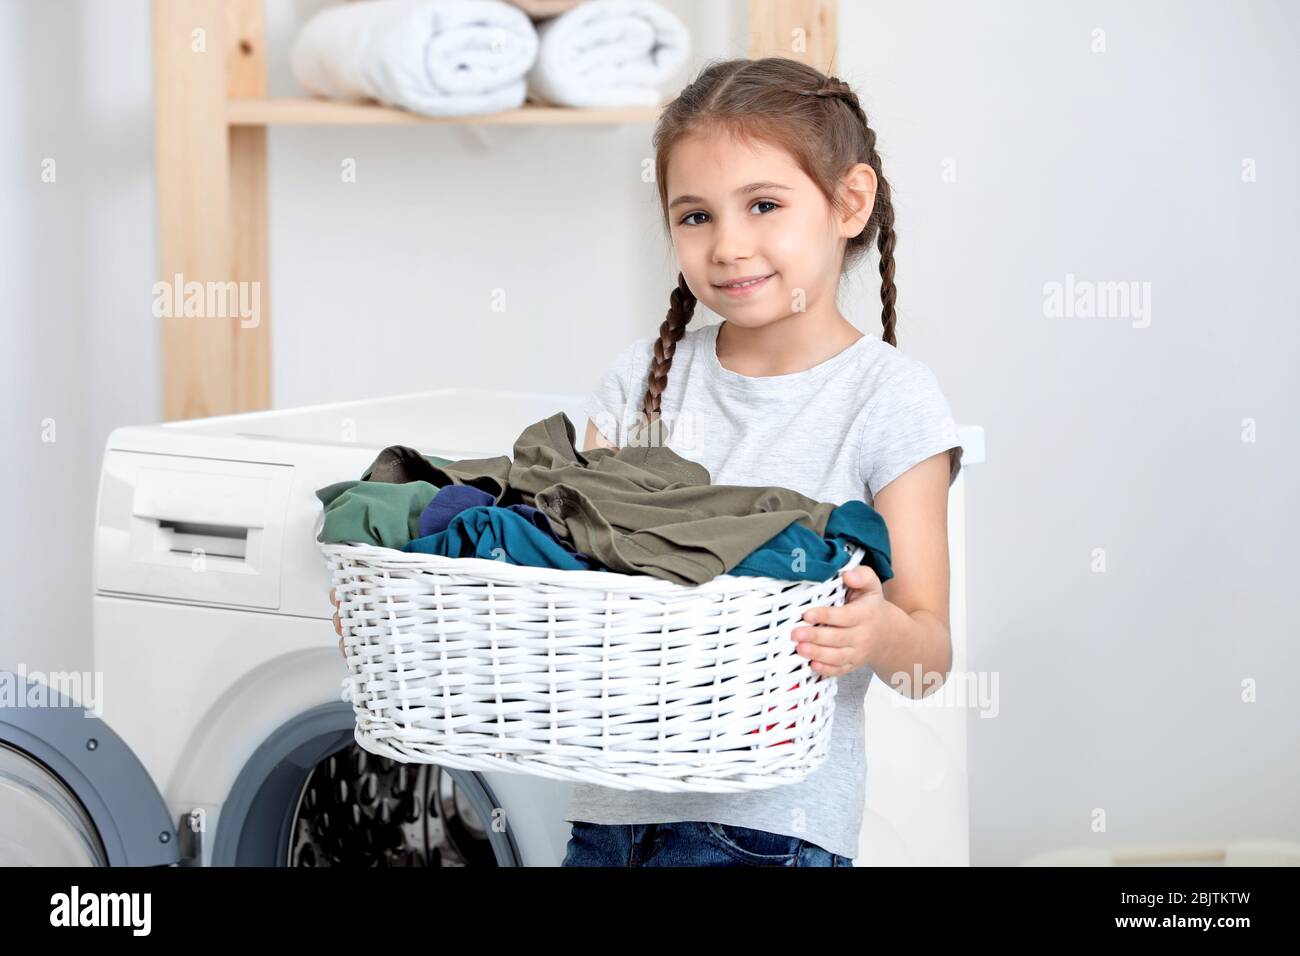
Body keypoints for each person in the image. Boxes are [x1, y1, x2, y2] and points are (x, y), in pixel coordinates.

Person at [332, 54, 963, 868]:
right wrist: (417, 609)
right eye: (694, 216)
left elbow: (931, 662)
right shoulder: (641, 381)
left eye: (763, 204)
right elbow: (564, 579)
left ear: (850, 202)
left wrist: (876, 635)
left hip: (769, 831)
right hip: (605, 816)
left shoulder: (891, 401)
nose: (729, 246)